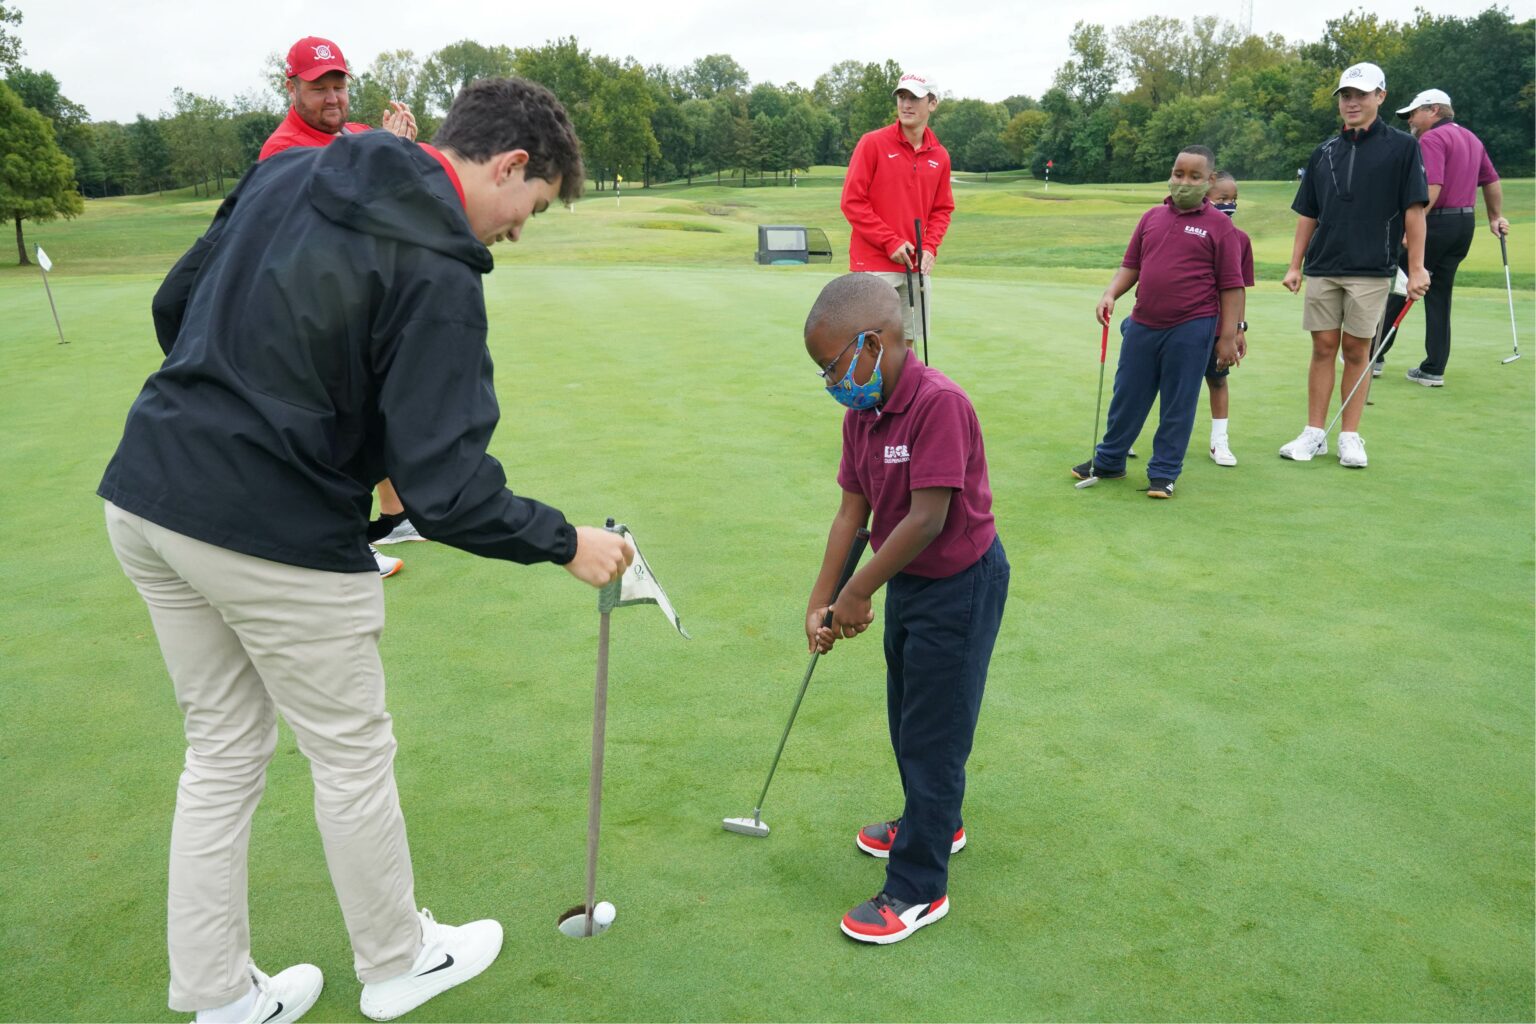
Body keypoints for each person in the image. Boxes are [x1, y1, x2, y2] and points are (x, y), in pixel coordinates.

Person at [98, 78, 634, 1024]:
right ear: (510, 165)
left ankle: (219, 994)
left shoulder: (288, 172)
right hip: (270, 530)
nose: (516, 230)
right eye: (532, 207)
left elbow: (175, 303)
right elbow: (450, 490)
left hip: (147, 489)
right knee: (350, 754)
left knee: (221, 753)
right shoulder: (440, 267)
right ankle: (396, 964)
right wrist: (569, 544)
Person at [802, 273, 1008, 945]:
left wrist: (859, 592)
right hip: (910, 581)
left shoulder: (938, 404)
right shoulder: (861, 415)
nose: (832, 383)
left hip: (960, 581)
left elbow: (926, 518)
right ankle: (934, 820)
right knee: (907, 711)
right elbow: (850, 514)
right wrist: (822, 597)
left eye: (833, 366)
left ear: (875, 342)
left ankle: (920, 886)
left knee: (934, 731)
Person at [260, 35, 423, 571]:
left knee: (380, 408)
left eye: (338, 85)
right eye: (318, 88)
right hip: (310, 313)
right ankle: (347, 542)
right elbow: (342, 206)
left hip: (359, 306)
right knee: (336, 426)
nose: (332, 97)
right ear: (292, 88)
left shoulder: (354, 134)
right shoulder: (282, 151)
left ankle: (394, 515)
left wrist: (399, 147)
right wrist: (388, 152)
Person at [1072, 145, 1245, 498]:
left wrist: (1227, 336)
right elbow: (1131, 266)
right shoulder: (1151, 217)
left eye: (1195, 177)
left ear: (1209, 181)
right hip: (1143, 323)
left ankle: (1164, 472)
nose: (1184, 182)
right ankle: (1110, 461)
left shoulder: (1219, 227)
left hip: (1192, 326)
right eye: (1179, 174)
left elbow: (1232, 287)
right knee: (1127, 395)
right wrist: (1110, 294)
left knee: (1178, 402)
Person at [1280, 62, 1429, 468]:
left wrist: (1416, 268)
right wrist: (1295, 265)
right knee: (1323, 346)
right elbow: (1307, 213)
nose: (1352, 102)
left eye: (1361, 95)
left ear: (1380, 97)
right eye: (1346, 95)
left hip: (1372, 265)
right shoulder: (1324, 150)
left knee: (1357, 350)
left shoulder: (1403, 148)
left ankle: (1349, 435)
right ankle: (1314, 433)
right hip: (1324, 264)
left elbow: (1414, 211)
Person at [1373, 88, 1511, 386]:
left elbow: (1431, 187)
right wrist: (1495, 217)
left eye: (1414, 112)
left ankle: (1373, 356)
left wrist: (1414, 227)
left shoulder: (1432, 138)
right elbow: (1492, 181)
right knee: (1439, 295)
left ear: (1433, 110)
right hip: (1463, 226)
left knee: (1401, 284)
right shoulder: (1471, 138)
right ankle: (1433, 369)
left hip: (1435, 222)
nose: (1409, 119)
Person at [840, 71, 954, 348]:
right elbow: (852, 202)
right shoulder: (873, 143)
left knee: (907, 349)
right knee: (871, 350)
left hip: (916, 266)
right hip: (874, 265)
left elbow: (942, 209)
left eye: (915, 98)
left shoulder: (939, 155)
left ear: (933, 103)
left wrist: (930, 247)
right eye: (902, 97)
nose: (906, 104)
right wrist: (890, 241)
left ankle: (904, 394)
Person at [1204, 170, 1254, 466]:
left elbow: (1239, 288)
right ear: (1206, 198)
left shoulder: (1241, 239)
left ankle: (1219, 441)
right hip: (1187, 323)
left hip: (1219, 327)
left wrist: (1238, 328)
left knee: (1218, 381)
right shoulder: (1196, 232)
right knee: (1162, 382)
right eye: (1222, 198)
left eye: (1233, 199)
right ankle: (1131, 435)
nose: (1229, 204)